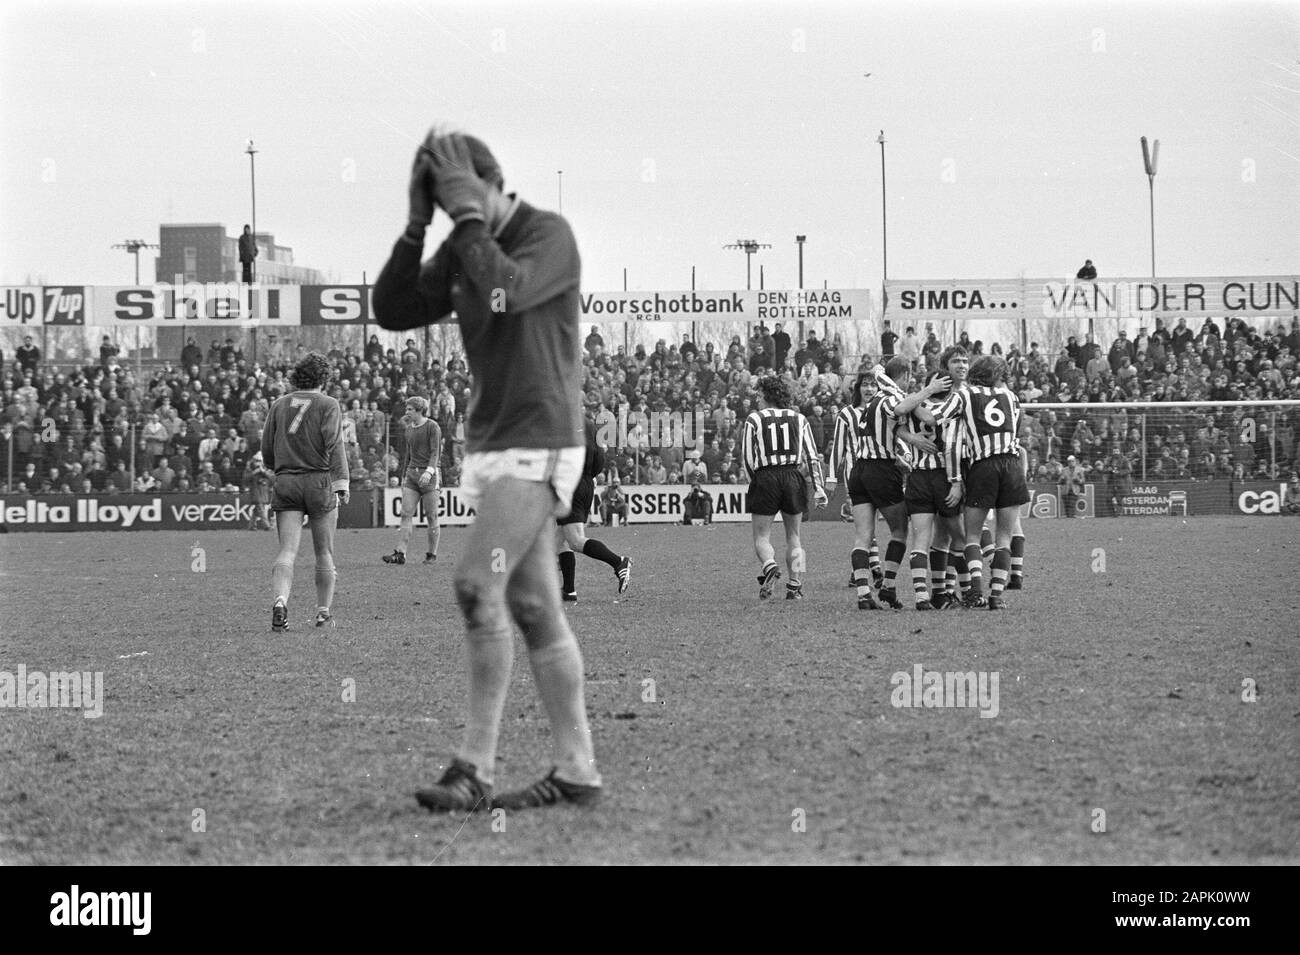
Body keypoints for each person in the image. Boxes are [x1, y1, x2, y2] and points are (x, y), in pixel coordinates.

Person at [374, 127, 601, 811]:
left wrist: (467, 215)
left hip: (542, 437)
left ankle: (474, 766)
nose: (451, 213)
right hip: (496, 442)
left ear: (485, 183)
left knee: (477, 583)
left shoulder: (548, 234)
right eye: (439, 202)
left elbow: (508, 287)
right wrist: (417, 226)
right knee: (532, 605)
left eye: (452, 197)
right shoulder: (461, 241)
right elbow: (392, 309)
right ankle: (577, 768)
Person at [833, 358, 948, 609]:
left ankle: (864, 594)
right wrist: (928, 390)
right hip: (881, 470)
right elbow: (899, 409)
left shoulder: (874, 400)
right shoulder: (889, 397)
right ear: (905, 375)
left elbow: (893, 427)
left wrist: (911, 441)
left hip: (859, 471)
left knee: (863, 536)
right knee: (900, 531)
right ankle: (887, 587)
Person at [260, 352, 350, 631]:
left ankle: (279, 602)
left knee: (287, 551)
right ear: (324, 378)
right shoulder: (328, 404)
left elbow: (266, 449)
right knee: (324, 552)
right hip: (319, 482)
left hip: (286, 482)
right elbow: (334, 444)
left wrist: (280, 467)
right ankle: (323, 614)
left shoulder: (279, 404)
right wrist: (342, 482)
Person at [933, 354, 1030, 609]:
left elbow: (937, 417)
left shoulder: (965, 394)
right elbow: (1016, 430)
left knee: (973, 535)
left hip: (983, 466)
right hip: (1011, 465)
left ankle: (975, 590)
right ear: (998, 375)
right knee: (1004, 537)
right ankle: (997, 596)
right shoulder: (1011, 397)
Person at [742, 375, 828, 600]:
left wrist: (757, 481)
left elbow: (747, 459)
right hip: (793, 476)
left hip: (765, 477)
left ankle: (770, 566)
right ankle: (795, 586)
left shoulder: (754, 419)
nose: (757, 399)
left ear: (768, 395)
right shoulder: (799, 419)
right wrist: (818, 488)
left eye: (759, 395)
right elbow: (812, 456)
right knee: (794, 536)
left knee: (761, 537)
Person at [557, 416, 632, 602]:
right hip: (586, 482)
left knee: (574, 540)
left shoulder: (559, 422)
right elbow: (600, 458)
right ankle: (568, 590)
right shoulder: (588, 423)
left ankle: (619, 562)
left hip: (571, 482)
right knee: (562, 541)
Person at [382, 395, 443, 565]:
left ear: (419, 410)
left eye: (409, 409)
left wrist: (429, 472)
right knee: (406, 513)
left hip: (429, 476)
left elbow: (435, 452)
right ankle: (400, 553)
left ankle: (432, 554)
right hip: (412, 475)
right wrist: (404, 476)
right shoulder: (408, 429)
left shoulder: (433, 427)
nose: (406, 412)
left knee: (431, 515)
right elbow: (408, 455)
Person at [243, 451, 274, 530]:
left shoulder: (266, 469)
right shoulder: (249, 469)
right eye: (257, 461)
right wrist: (254, 472)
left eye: (259, 461)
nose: (258, 463)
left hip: (264, 493)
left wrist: (263, 472)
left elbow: (272, 480)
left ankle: (251, 526)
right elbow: (245, 480)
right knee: (260, 509)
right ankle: (267, 526)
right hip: (255, 493)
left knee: (257, 511)